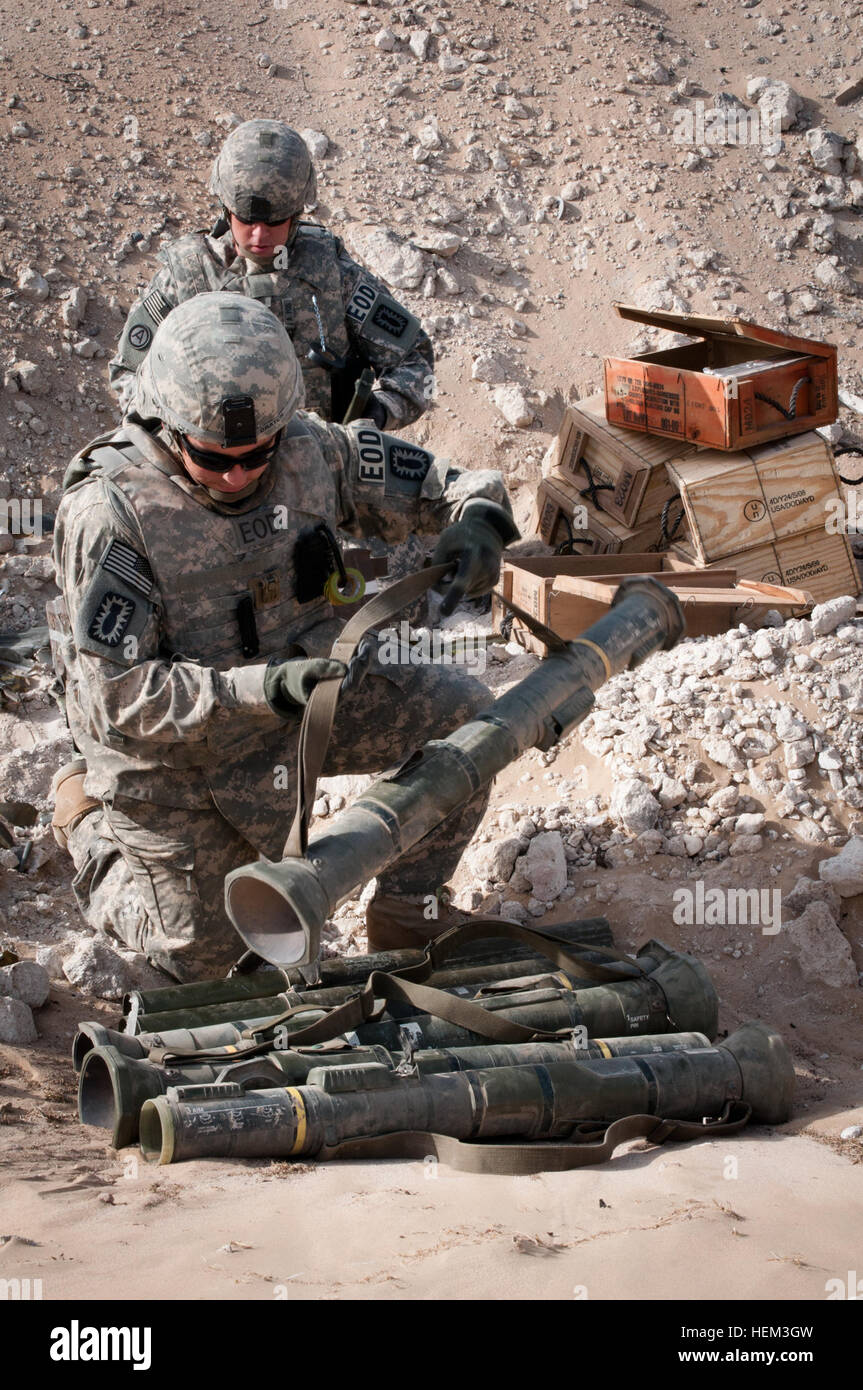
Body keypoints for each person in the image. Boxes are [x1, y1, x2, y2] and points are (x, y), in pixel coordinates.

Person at [52, 293, 518, 981]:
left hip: (307, 709)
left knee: (468, 724)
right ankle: (83, 817)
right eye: (213, 458)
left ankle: (407, 906)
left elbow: (449, 484)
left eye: (255, 455)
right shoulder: (111, 515)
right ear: (165, 424)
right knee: (204, 960)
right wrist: (259, 689)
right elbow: (120, 699)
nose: (237, 475)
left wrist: (477, 518)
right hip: (178, 758)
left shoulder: (311, 448)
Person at [109, 119, 435, 430]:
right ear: (226, 209)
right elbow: (128, 374)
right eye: (246, 219)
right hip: (213, 470)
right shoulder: (186, 278)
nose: (259, 235)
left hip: (313, 464)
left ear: (296, 213)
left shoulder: (332, 276)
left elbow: (414, 359)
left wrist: (374, 414)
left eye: (275, 221)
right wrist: (170, 433)